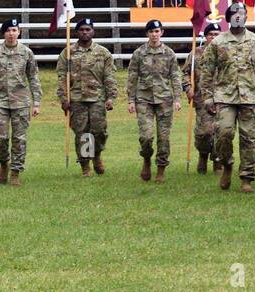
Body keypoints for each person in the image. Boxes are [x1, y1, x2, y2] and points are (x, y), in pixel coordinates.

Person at [198, 1, 255, 192]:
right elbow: (206, 72)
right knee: (224, 133)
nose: (239, 16)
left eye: (242, 13)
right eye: (235, 13)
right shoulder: (217, 43)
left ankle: (246, 178)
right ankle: (226, 164)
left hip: (251, 96)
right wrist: (208, 97)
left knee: (248, 138)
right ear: (229, 18)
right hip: (225, 96)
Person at [0, 18, 42, 186]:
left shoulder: (26, 53)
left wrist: (36, 102)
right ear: (4, 33)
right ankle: (3, 164)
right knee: (0, 137)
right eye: (8, 30)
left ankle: (15, 172)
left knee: (19, 139)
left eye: (14, 30)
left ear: (19, 32)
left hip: (21, 101)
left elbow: (34, 78)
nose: (11, 33)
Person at [56, 16, 117, 176]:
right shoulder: (68, 53)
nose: (85, 32)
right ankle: (85, 166)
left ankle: (96, 155)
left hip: (97, 98)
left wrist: (111, 97)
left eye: (88, 29)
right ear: (77, 32)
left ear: (93, 32)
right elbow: (62, 77)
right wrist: (63, 98)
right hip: (76, 99)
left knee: (98, 131)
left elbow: (109, 77)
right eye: (82, 30)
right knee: (82, 133)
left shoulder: (103, 53)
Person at [126, 19, 184, 182]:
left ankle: (161, 168)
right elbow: (132, 77)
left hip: (164, 100)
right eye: (151, 31)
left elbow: (175, 76)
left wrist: (178, 98)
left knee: (163, 138)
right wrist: (130, 100)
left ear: (162, 32)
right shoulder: (139, 53)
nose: (154, 34)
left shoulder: (169, 53)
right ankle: (146, 160)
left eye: (157, 31)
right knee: (146, 136)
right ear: (147, 34)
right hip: (143, 99)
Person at [188, 23, 221, 173]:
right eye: (211, 34)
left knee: (220, 131)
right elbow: (185, 74)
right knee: (204, 132)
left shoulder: (226, 52)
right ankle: (202, 154)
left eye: (216, 34)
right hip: (202, 99)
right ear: (205, 36)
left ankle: (217, 160)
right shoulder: (196, 54)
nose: (213, 37)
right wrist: (188, 88)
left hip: (223, 98)